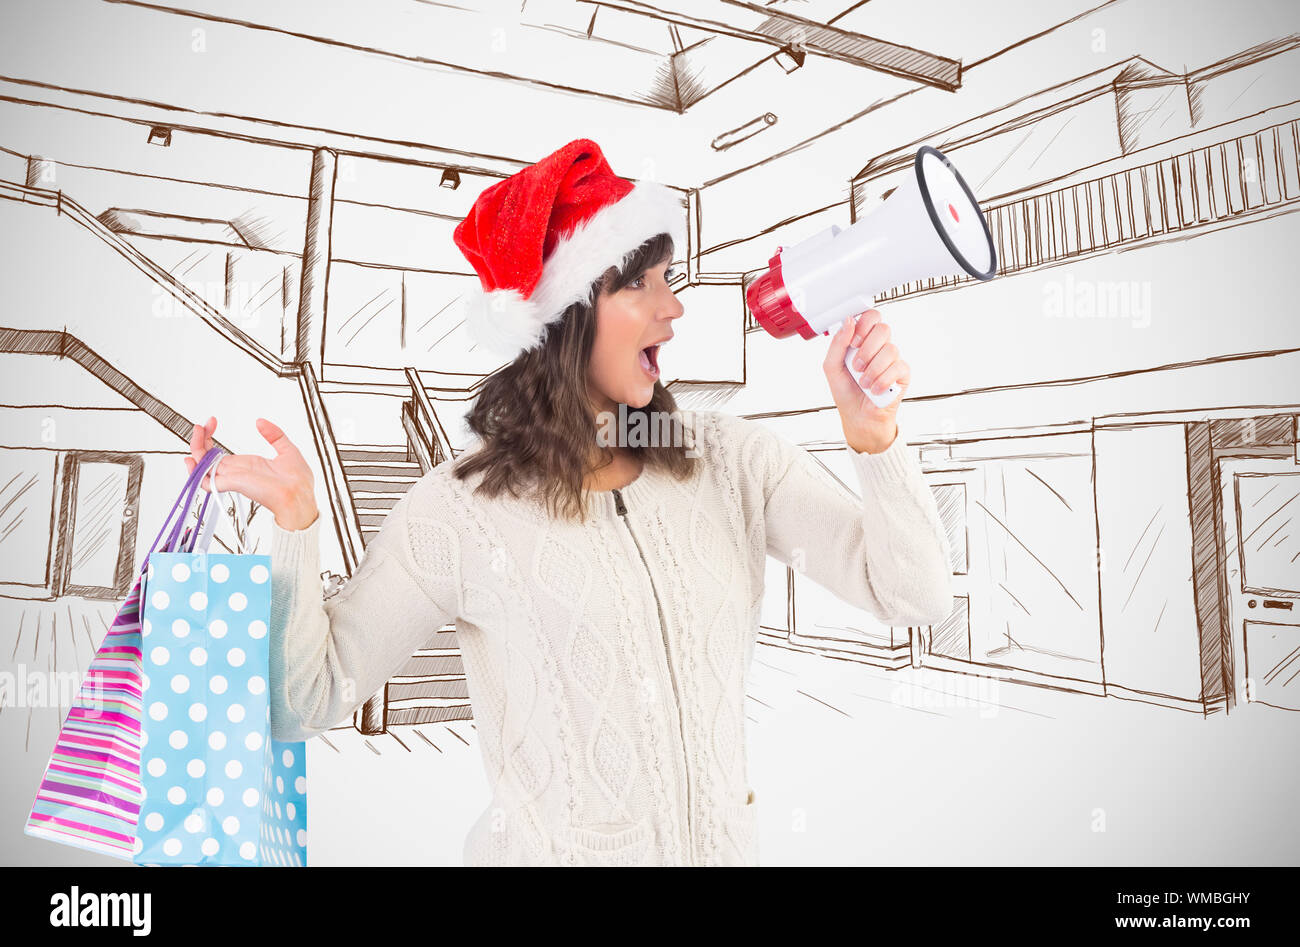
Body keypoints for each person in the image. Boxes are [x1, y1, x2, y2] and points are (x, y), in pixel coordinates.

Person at [184, 137, 953, 866]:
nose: (673, 308)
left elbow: (912, 595)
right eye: (638, 283)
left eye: (670, 281)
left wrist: (874, 434)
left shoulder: (731, 463)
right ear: (563, 318)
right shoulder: (461, 511)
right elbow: (304, 702)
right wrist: (296, 523)